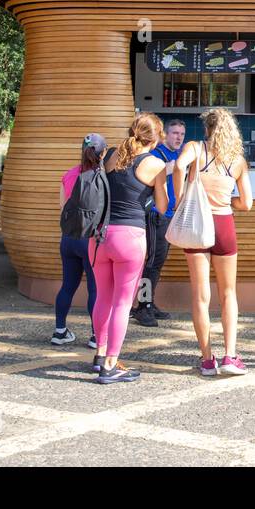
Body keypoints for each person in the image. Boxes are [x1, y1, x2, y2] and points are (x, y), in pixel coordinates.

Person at [173, 109, 253, 376]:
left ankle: (208, 360)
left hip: (197, 224)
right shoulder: (237, 160)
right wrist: (226, 200)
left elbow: (178, 166)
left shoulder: (195, 148)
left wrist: (182, 196)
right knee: (228, 293)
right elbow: (247, 204)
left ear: (205, 128)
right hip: (224, 225)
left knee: (200, 295)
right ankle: (230, 356)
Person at [93, 113, 167, 383]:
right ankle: (111, 365)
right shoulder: (155, 164)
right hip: (130, 238)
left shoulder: (112, 154)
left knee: (103, 298)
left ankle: (99, 356)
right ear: (156, 137)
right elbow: (161, 206)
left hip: (99, 236)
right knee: (123, 304)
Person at [51, 133, 106, 347]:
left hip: (68, 238)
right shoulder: (102, 176)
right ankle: (95, 336)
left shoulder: (69, 174)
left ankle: (59, 331)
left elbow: (62, 207)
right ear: (102, 153)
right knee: (95, 289)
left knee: (68, 286)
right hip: (90, 240)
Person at [132, 119, 184, 327]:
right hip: (155, 215)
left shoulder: (179, 155)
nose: (178, 137)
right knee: (152, 263)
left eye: (181, 133)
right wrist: (170, 168)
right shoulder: (156, 155)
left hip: (170, 215)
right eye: (174, 133)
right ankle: (143, 307)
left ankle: (148, 303)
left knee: (157, 262)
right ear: (165, 135)